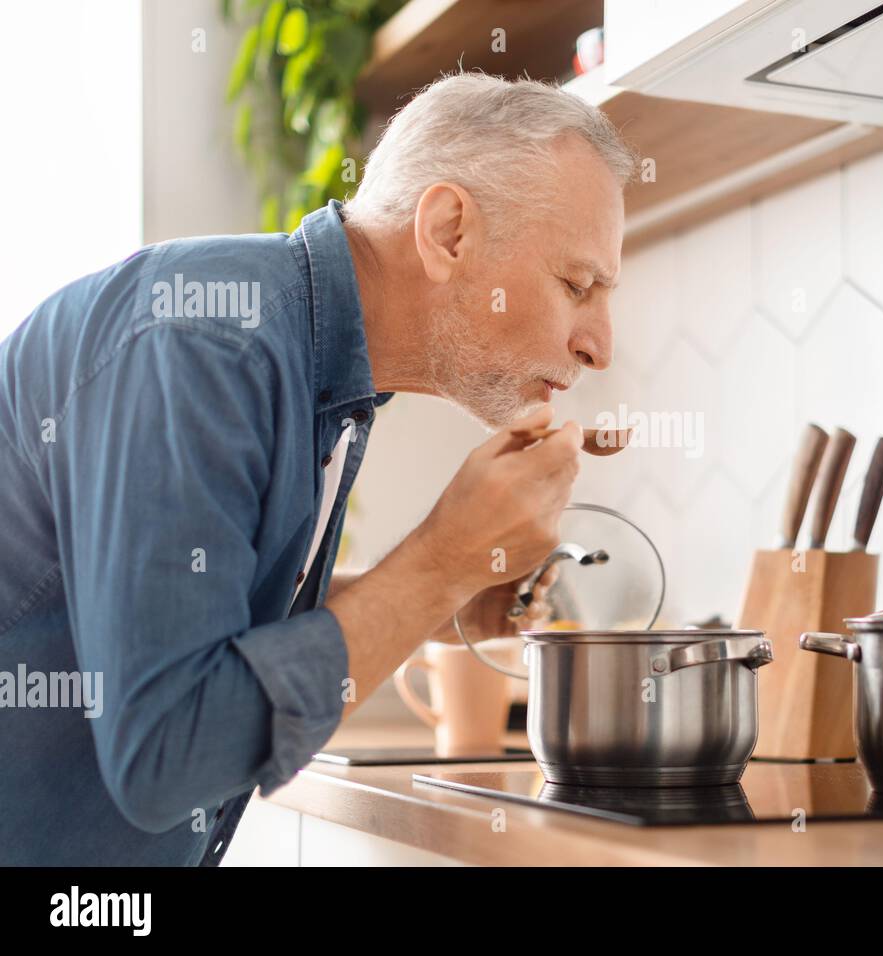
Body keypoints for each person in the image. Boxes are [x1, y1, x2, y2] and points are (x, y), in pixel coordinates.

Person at [0, 73, 636, 865]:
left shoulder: (318, 373)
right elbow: (167, 755)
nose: (599, 345)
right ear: (448, 231)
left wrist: (441, 599)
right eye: (578, 285)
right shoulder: (206, 344)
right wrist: (437, 565)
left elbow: (198, 615)